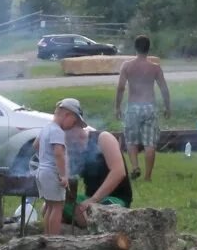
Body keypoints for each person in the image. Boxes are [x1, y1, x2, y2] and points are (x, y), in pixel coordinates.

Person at [115, 35, 172, 181]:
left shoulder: (127, 66)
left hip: (133, 106)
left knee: (131, 140)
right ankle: (147, 177)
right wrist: (167, 107)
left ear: (135, 48)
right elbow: (164, 89)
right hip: (149, 107)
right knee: (150, 143)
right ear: (148, 48)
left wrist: (117, 107)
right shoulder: (155, 68)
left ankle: (135, 167)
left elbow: (121, 88)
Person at [63, 112, 132, 228]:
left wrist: (94, 199)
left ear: (78, 126)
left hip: (114, 199)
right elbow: (70, 178)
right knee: (49, 207)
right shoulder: (72, 150)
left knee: (82, 212)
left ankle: (90, 236)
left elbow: (119, 172)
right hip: (89, 198)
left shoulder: (103, 138)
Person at [31, 99, 75, 235]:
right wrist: (63, 175)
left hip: (42, 171)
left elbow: (35, 145)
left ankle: (47, 237)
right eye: (73, 121)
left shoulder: (46, 128)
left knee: (50, 206)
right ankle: (53, 240)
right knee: (57, 207)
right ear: (67, 115)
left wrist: (44, 159)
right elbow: (58, 154)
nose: (72, 125)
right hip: (52, 173)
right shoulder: (58, 131)